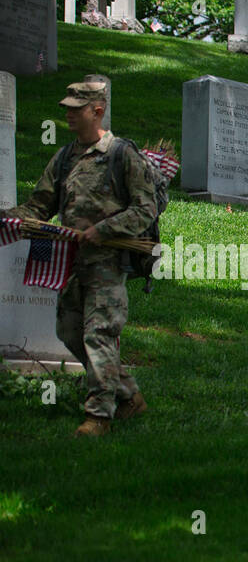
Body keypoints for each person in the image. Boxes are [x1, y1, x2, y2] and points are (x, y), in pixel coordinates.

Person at [2, 80, 158, 437]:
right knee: (68, 331)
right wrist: (10, 217)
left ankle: (98, 416)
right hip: (73, 260)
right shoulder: (65, 157)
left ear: (97, 110)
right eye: (67, 108)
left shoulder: (122, 154)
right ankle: (129, 393)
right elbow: (40, 206)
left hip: (109, 262)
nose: (69, 114)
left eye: (76, 108)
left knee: (98, 335)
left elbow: (144, 209)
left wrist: (105, 229)